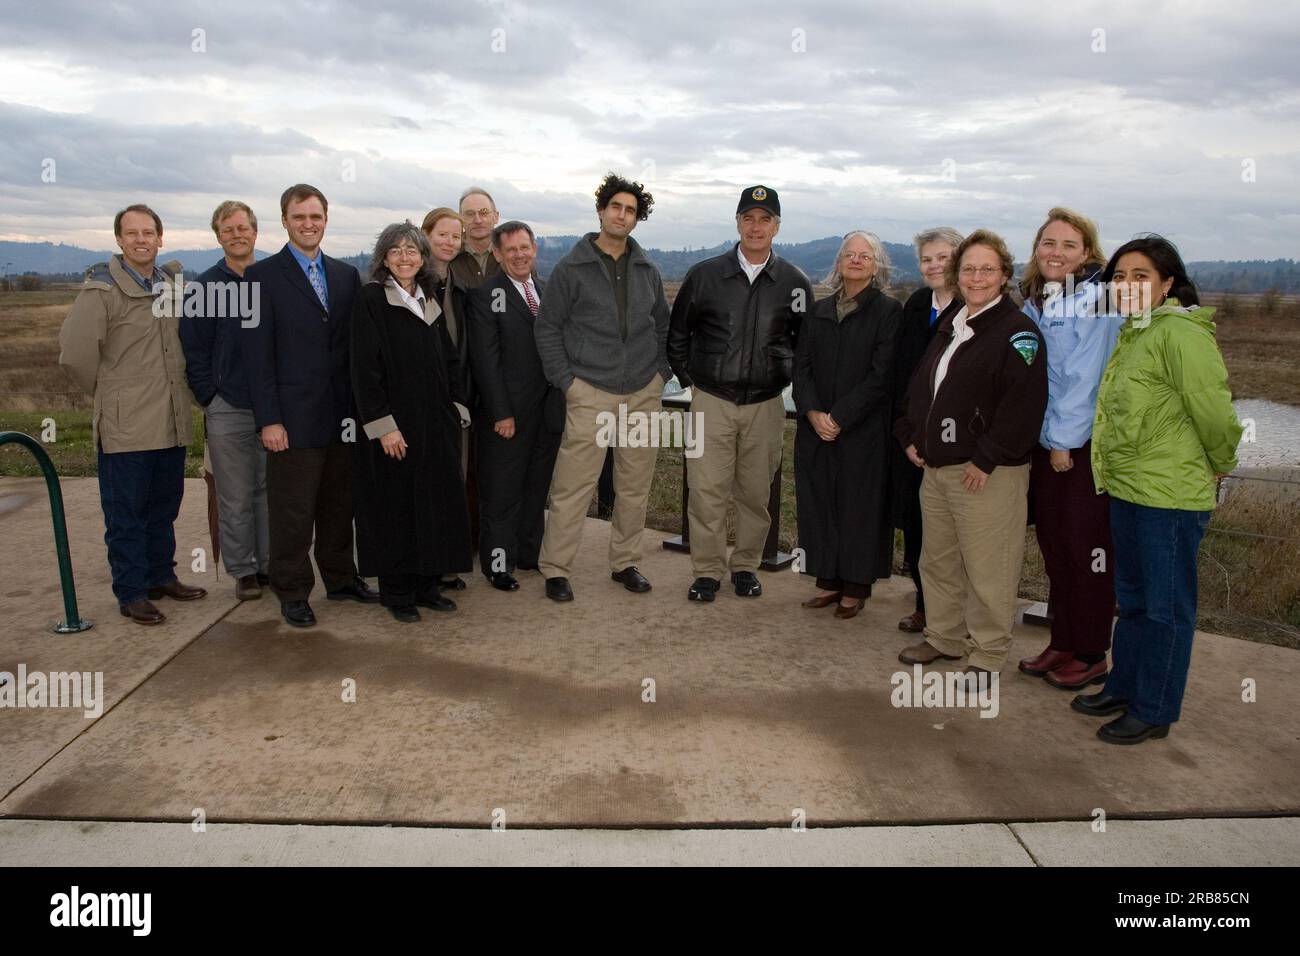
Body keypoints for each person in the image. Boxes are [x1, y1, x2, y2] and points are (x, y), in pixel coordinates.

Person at [1072, 235, 1242, 744]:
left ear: (1168, 283)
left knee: (1166, 608)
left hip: (1169, 497)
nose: (1127, 285)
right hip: (1129, 489)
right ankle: (1124, 684)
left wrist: (1220, 463)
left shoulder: (1181, 335)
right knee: (1135, 600)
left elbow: (1214, 411)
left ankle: (1155, 708)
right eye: (1120, 277)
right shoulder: (1134, 332)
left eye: (1140, 276)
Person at [895, 229, 1048, 676]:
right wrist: (909, 435)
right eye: (969, 269)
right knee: (937, 561)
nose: (977, 277)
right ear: (957, 275)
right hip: (936, 468)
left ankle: (987, 653)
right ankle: (943, 638)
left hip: (985, 473)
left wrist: (987, 459)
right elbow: (921, 387)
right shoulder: (954, 325)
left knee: (988, 569)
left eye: (987, 269)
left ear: (1004, 275)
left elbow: (1024, 406)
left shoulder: (1017, 332)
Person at [58, 204, 207, 625]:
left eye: (149, 233)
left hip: (170, 422)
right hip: (126, 427)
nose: (141, 240)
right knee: (126, 514)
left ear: (161, 239)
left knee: (164, 508)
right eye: (132, 233)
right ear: (119, 240)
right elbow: (75, 355)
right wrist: (111, 397)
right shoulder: (102, 291)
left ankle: (162, 576)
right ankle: (131, 590)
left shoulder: (169, 286)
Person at [667, 185, 813, 602]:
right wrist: (692, 383)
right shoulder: (705, 275)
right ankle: (708, 571)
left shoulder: (794, 282)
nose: (756, 226)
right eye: (748, 218)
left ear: (777, 226)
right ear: (737, 223)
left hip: (765, 404)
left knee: (754, 493)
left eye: (764, 219)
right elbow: (678, 335)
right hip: (711, 400)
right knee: (707, 490)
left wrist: (788, 386)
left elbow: (804, 348)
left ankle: (746, 567)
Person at [243, 184, 378, 628]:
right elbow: (256, 357)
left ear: (326, 219)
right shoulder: (260, 278)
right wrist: (270, 420)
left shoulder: (345, 276)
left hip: (341, 419)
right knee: (293, 512)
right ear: (284, 220)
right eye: (299, 217)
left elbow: (352, 350)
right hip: (291, 420)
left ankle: (341, 579)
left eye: (315, 216)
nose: (308, 224)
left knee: (340, 507)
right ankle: (293, 590)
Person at [533, 172, 672, 602]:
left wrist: (660, 374)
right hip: (589, 391)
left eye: (631, 210)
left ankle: (626, 562)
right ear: (601, 211)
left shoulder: (647, 268)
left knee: (634, 485)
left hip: (641, 392)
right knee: (573, 486)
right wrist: (568, 383)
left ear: (636, 219)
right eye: (616, 206)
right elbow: (548, 327)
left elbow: (664, 325)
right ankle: (556, 569)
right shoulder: (571, 268)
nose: (622, 215)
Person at [1017, 208, 1121, 689]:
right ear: (1037, 249)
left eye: (1068, 245)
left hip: (1077, 448)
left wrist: (1062, 444)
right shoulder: (1036, 300)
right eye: (1048, 243)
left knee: (1087, 550)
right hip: (1045, 443)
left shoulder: (1096, 300)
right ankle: (1062, 639)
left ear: (1087, 253)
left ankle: (1091, 651)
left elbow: (1084, 378)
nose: (1056, 253)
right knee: (1054, 545)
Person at [351, 223, 472, 622]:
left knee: (435, 503)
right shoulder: (372, 299)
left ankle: (427, 586)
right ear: (384, 257)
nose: (405, 257)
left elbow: (450, 359)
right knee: (396, 508)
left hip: (435, 422)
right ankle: (398, 594)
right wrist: (384, 427)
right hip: (396, 425)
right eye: (396, 250)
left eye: (412, 250)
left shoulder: (430, 298)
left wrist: (456, 405)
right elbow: (364, 370)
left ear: (423, 258)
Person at [793, 231, 901, 618]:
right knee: (820, 501)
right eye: (849, 255)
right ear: (838, 263)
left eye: (865, 256)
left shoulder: (888, 312)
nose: (856, 261)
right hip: (816, 428)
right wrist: (812, 413)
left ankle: (856, 585)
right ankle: (827, 579)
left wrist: (839, 416)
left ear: (877, 266)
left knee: (860, 507)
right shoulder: (817, 312)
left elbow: (882, 375)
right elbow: (800, 369)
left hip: (863, 431)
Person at [179, 200, 269, 601]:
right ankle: (244, 570)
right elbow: (193, 350)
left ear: (255, 232)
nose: (237, 234)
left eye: (243, 228)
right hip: (227, 406)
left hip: (271, 406)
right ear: (218, 236)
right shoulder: (204, 287)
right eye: (228, 229)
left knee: (268, 492)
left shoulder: (270, 280)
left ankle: (269, 564)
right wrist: (209, 396)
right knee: (235, 495)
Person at [468, 221, 564, 591]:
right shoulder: (485, 295)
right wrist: (500, 412)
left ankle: (528, 554)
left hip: (546, 413)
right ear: (497, 254)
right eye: (511, 250)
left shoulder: (545, 289)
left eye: (525, 247)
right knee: (502, 491)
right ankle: (498, 565)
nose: (520, 255)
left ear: (534, 248)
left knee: (535, 487)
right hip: (507, 415)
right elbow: (485, 361)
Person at [892, 227, 963, 634]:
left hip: (956, 444)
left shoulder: (976, 307)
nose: (934, 265)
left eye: (944, 257)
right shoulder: (918, 304)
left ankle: (955, 614)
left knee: (956, 534)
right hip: (914, 443)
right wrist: (906, 435)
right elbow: (902, 374)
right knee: (919, 527)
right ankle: (925, 604)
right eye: (927, 259)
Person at [422, 205, 474, 592]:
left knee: (453, 481)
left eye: (456, 236)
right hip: (422, 402)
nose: (449, 242)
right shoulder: (412, 284)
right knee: (427, 484)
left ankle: (446, 565)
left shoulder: (458, 285)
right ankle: (424, 566)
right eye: (442, 234)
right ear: (426, 235)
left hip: (455, 399)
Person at [449, 187, 502, 289]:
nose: (477, 220)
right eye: (470, 214)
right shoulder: (448, 255)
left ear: (496, 217)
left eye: (484, 212)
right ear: (460, 219)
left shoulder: (511, 255)